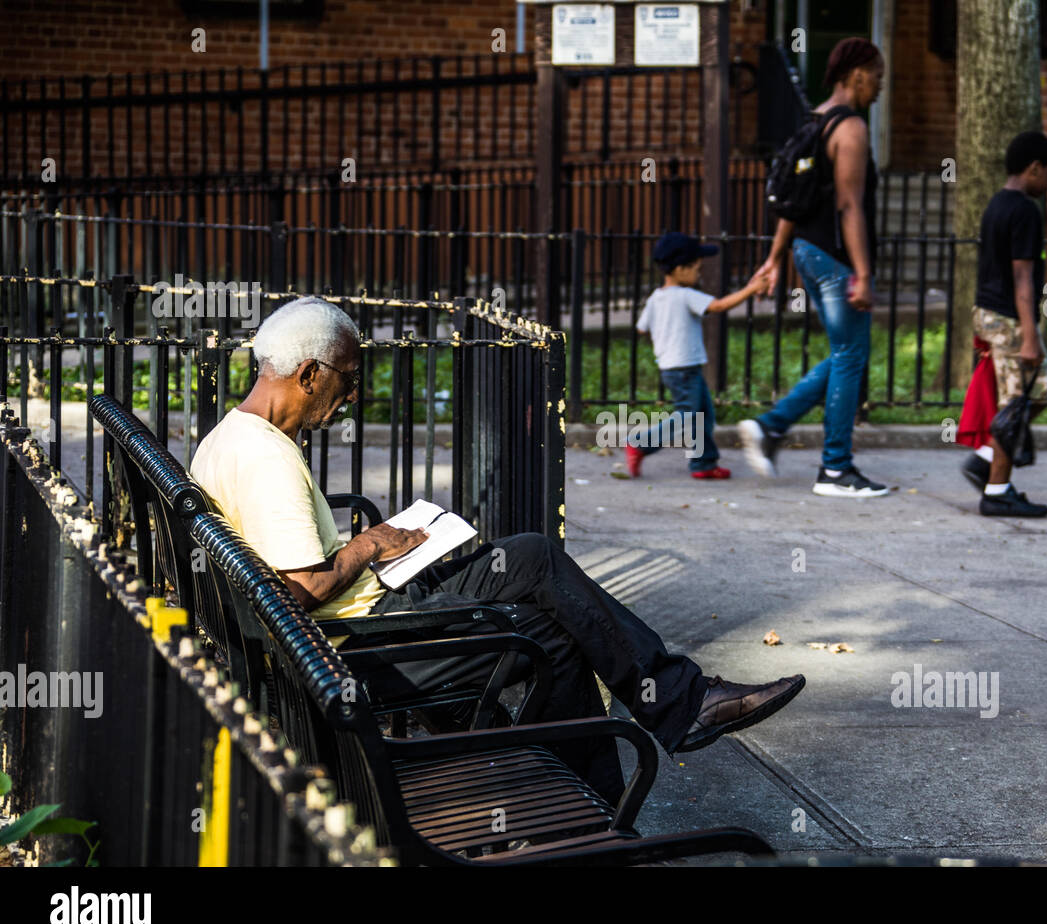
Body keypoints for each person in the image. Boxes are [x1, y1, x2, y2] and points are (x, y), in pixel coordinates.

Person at [190, 297, 805, 805]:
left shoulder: (228, 439)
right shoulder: (268, 457)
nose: (349, 397)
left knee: (546, 615)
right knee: (537, 567)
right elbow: (302, 587)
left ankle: (601, 797)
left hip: (349, 631)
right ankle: (666, 722)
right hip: (359, 649)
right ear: (308, 374)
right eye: (348, 380)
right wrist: (371, 543)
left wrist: (372, 551)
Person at [742, 36, 889, 498]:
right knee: (850, 356)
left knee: (847, 351)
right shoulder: (850, 129)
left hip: (807, 250)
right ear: (858, 74)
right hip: (833, 257)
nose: (880, 88)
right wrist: (862, 272)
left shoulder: (814, 122)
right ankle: (835, 469)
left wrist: (775, 257)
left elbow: (792, 203)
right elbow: (849, 206)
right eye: (878, 77)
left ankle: (771, 426)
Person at [961, 130, 1047, 518]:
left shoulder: (996, 204)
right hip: (1008, 317)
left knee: (1043, 391)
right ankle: (997, 491)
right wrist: (1030, 337)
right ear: (1033, 168)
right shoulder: (1023, 211)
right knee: (1016, 404)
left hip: (992, 312)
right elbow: (1022, 278)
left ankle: (985, 457)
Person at [625, 231, 765, 480]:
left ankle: (703, 463)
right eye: (697, 269)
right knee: (687, 416)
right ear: (680, 269)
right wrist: (751, 289)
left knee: (704, 415)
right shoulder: (685, 295)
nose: (699, 274)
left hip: (671, 366)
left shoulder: (656, 298)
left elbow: (641, 328)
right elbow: (719, 306)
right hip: (684, 368)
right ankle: (640, 443)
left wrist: (665, 337)